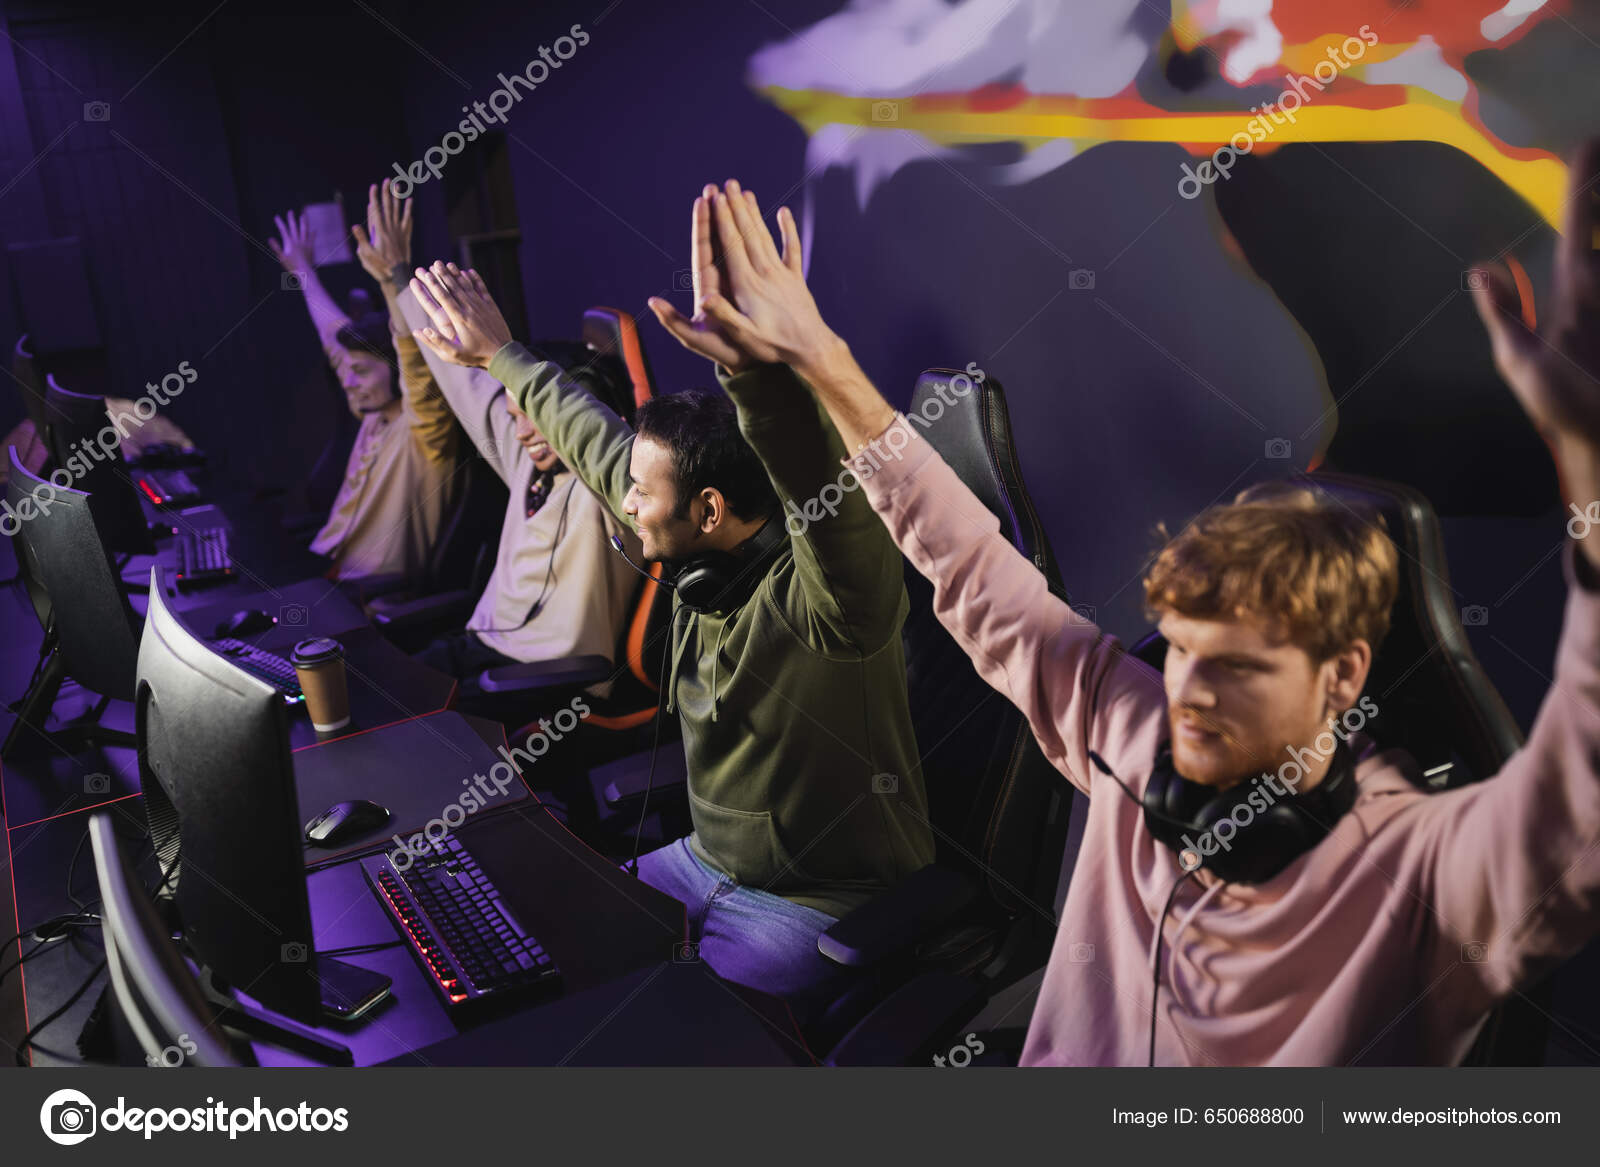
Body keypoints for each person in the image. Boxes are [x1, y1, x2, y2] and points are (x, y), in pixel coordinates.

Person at [640, 156, 1600, 1066]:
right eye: (1181, 651)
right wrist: (814, 357)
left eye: (1236, 667)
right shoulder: (1133, 733)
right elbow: (967, 557)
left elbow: (1578, 803)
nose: (1185, 692)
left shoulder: (1425, 872)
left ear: (1343, 675)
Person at [406, 228, 935, 1012]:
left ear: (710, 511)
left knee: (667, 1027)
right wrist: (501, 357)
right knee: (551, 942)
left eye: (640, 495)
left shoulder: (833, 600)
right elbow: (593, 440)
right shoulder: (698, 562)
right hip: (700, 862)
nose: (621, 501)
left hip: (816, 903)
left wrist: (758, 371)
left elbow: (827, 492)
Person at [270, 187, 461, 587]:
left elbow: (410, 353)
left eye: (361, 371)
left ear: (396, 372)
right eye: (348, 371)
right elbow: (334, 337)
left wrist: (395, 276)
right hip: (325, 569)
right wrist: (303, 272)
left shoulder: (424, 430)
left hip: (367, 594)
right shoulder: (370, 409)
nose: (349, 381)